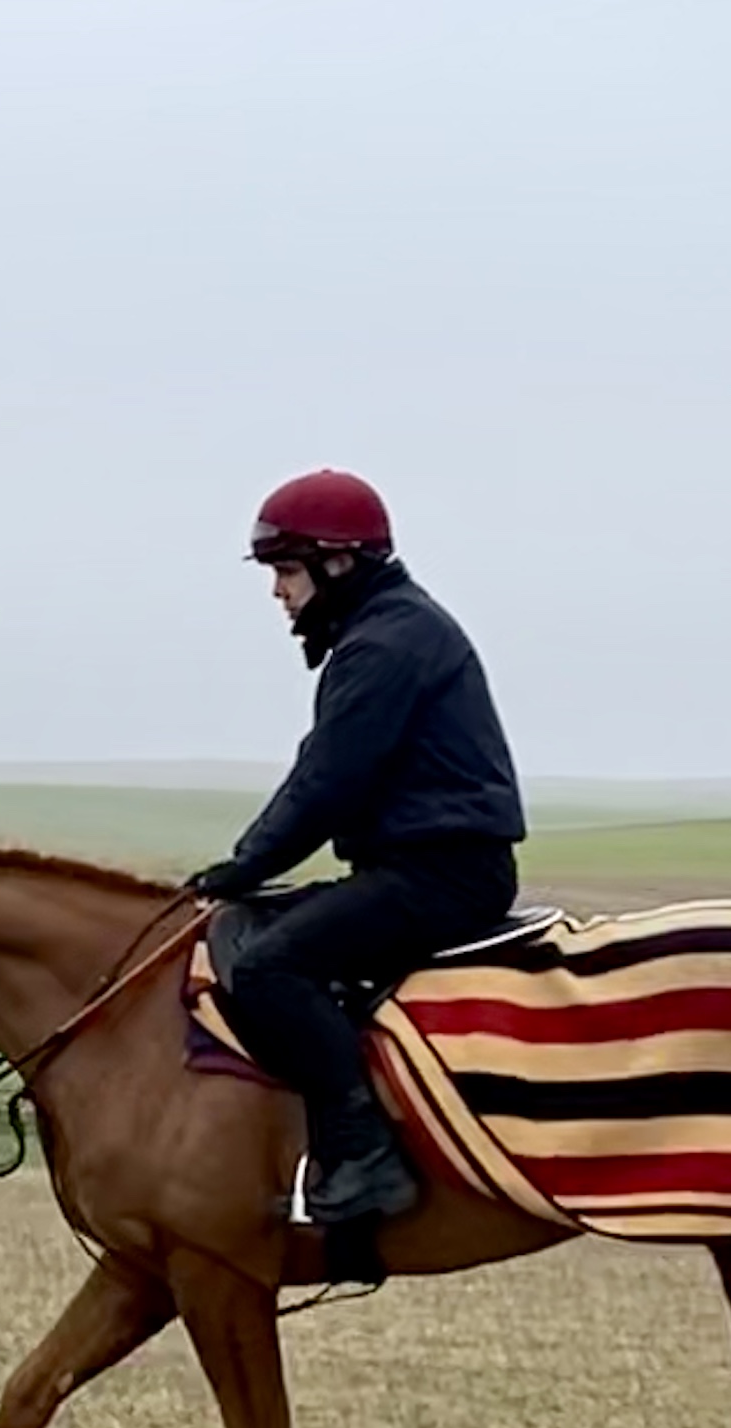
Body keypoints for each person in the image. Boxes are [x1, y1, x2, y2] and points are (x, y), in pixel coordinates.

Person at [187, 469, 526, 1226]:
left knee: (271, 968)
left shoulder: (386, 645)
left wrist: (244, 866)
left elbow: (328, 781)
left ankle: (364, 1156)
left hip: (443, 875)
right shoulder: (384, 632)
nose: (278, 591)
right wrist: (245, 875)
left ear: (338, 563)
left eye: (285, 570)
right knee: (249, 928)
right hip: (415, 866)